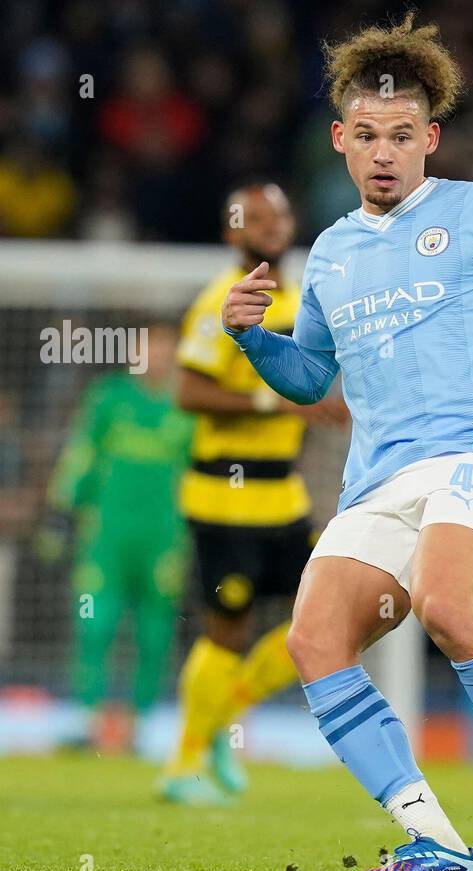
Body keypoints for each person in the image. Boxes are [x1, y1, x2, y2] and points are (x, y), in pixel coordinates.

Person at [221, 14, 473, 871]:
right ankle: (434, 839)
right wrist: (255, 340)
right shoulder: (327, 254)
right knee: (314, 640)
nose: (384, 153)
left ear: (430, 138)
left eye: (402, 136)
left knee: (446, 603)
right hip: (378, 482)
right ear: (339, 139)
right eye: (366, 135)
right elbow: (310, 378)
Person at [159, 183, 347, 805]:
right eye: (255, 217)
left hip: (282, 498)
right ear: (231, 232)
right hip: (224, 498)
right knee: (228, 630)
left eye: (280, 214)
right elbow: (188, 393)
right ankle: (183, 764)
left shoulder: (298, 299)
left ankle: (222, 715)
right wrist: (276, 401)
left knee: (325, 611)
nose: (271, 225)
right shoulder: (222, 302)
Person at [42, 326, 192, 747]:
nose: (157, 358)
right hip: (105, 535)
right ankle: (84, 717)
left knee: (154, 630)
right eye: (149, 348)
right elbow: (80, 453)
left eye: (165, 350)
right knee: (94, 622)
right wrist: (61, 510)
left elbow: (203, 467)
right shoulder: (108, 397)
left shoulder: (188, 403)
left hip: (165, 538)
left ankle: (141, 722)